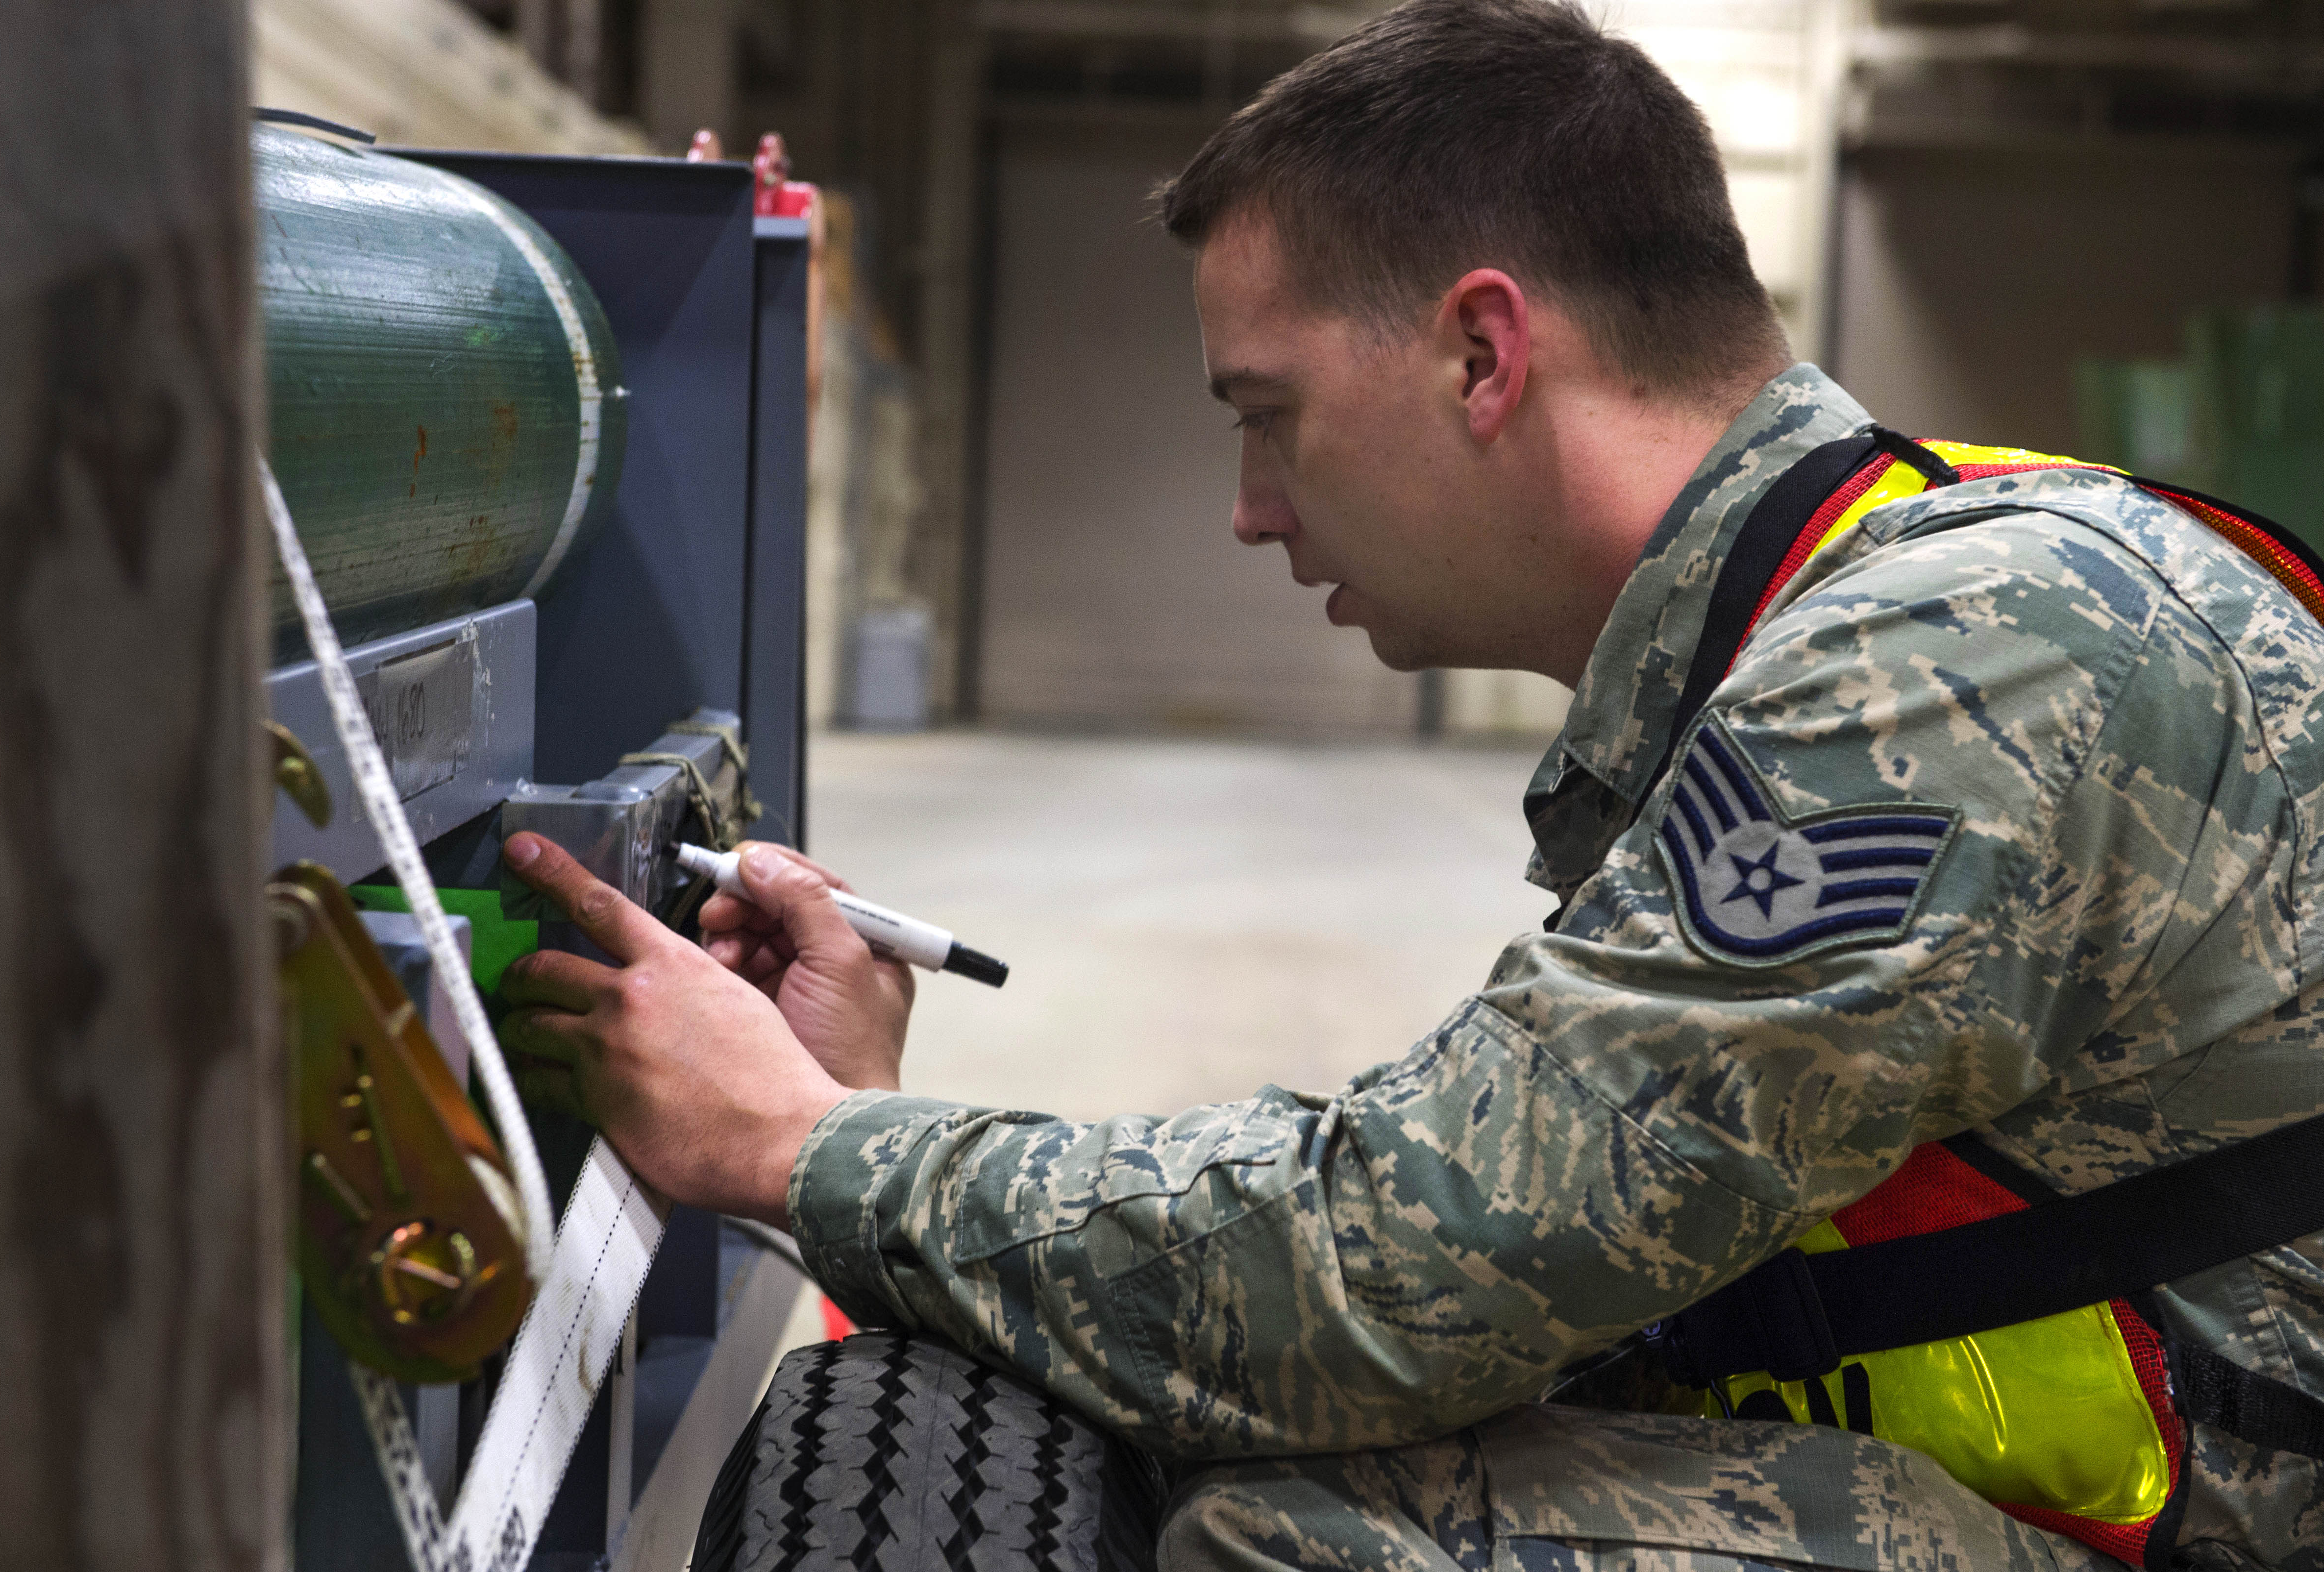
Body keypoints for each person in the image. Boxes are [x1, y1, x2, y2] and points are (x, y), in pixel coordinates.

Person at [494, 2, 2324, 1568]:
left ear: (1479, 351)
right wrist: (873, 1137)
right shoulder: (1852, 589)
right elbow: (1484, 1191)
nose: (1248, 506)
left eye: (1264, 411)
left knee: (1284, 1530)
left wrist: (806, 1150)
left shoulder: (1960, 653)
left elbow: (1407, 1263)